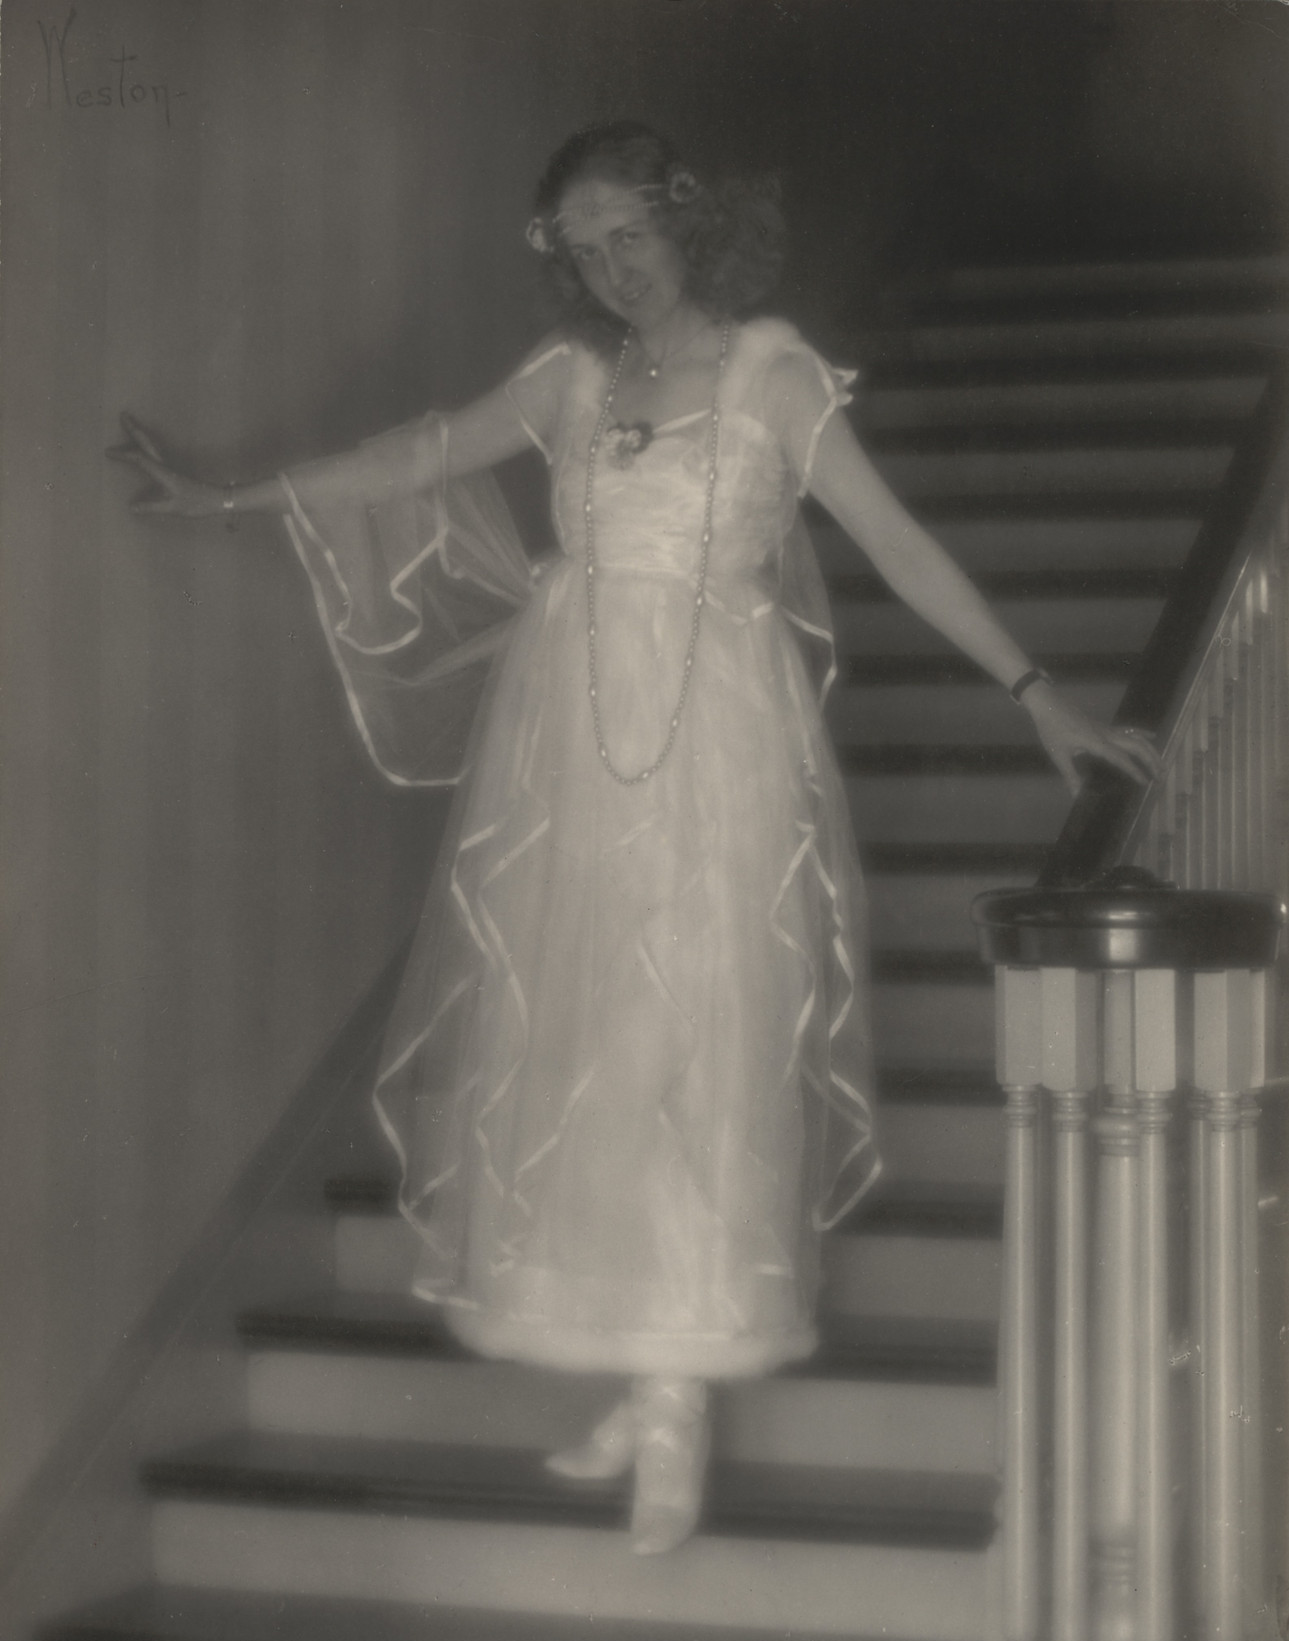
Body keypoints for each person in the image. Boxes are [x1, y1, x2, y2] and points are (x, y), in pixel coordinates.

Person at [110, 122, 1158, 1556]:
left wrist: (1035, 694)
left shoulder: (771, 371)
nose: (612, 271)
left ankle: (679, 1397)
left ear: (691, 223)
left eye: (630, 237)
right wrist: (228, 501)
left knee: (700, 1042)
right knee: (587, 1045)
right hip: (570, 752)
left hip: (720, 740)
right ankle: (635, 1369)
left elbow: (896, 543)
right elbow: (415, 455)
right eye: (582, 250)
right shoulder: (570, 378)